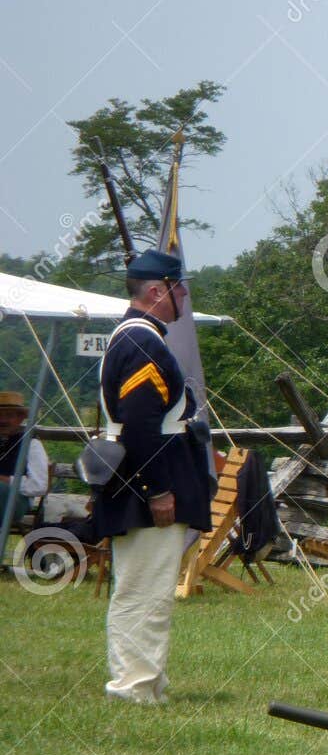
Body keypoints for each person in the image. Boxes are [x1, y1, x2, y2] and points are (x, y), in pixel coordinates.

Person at [91, 249, 212, 705]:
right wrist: (158, 490)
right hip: (147, 484)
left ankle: (145, 681)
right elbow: (140, 424)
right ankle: (133, 687)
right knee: (145, 591)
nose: (184, 294)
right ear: (158, 291)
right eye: (179, 287)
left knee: (148, 587)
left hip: (141, 479)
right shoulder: (143, 343)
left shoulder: (137, 338)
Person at [0, 390, 50, 511]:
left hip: (16, 501)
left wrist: (4, 481)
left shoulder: (31, 444)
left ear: (20, 418)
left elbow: (39, 486)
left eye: (9, 416)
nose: (2, 421)